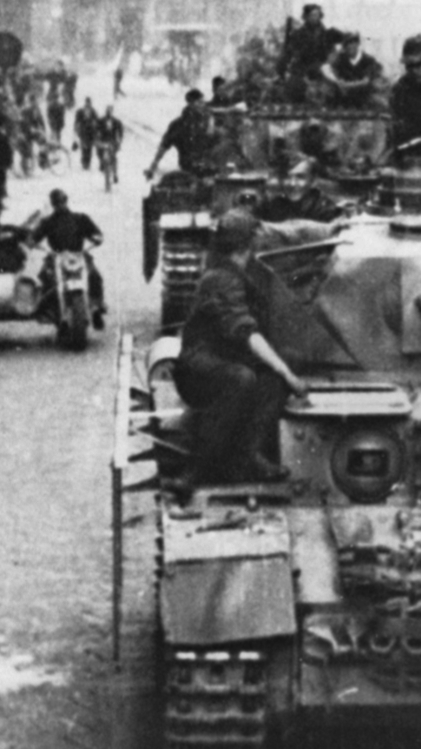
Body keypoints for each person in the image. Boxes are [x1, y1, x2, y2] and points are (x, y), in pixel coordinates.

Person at [172, 209, 308, 491]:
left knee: (278, 369)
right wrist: (286, 372)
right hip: (196, 368)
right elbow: (244, 331)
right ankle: (196, 471)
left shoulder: (234, 270)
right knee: (242, 377)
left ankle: (246, 454)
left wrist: (282, 368)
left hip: (222, 359)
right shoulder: (222, 278)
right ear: (247, 245)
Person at [31, 189, 107, 328]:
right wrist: (33, 243)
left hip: (79, 255)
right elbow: (34, 238)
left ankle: (96, 308)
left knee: (94, 276)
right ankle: (49, 312)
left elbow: (96, 233)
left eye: (63, 201)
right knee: (44, 279)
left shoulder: (80, 218)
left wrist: (96, 238)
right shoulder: (47, 222)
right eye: (57, 203)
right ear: (53, 204)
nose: (61, 205)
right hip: (55, 256)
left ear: (67, 201)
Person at [143, 88, 221, 181]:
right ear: (191, 104)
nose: (202, 105)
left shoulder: (207, 121)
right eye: (199, 102)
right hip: (190, 167)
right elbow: (163, 147)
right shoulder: (179, 124)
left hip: (210, 166)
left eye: (203, 102)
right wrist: (152, 167)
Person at [277, 4, 346, 101]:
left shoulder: (328, 33)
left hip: (324, 67)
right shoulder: (298, 35)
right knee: (293, 90)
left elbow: (349, 40)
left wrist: (337, 55)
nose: (315, 17)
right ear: (306, 17)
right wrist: (281, 72)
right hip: (303, 69)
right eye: (312, 15)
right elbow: (287, 54)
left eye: (317, 14)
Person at [254, 158, 344, 223]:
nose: (292, 184)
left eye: (300, 177)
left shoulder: (326, 210)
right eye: (286, 177)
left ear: (313, 182)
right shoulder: (273, 206)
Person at [321, 32, 387, 109]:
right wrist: (337, 81)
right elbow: (328, 69)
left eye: (352, 43)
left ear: (357, 44)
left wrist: (346, 85)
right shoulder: (340, 59)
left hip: (364, 97)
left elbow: (365, 81)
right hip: (344, 98)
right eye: (346, 44)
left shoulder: (368, 60)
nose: (349, 46)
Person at [93, 104, 125, 184]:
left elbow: (120, 131)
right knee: (99, 152)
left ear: (112, 112)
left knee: (113, 157)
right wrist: (97, 138)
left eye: (110, 111)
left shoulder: (116, 122)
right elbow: (96, 130)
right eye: (107, 111)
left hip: (112, 142)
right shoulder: (101, 120)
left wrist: (119, 141)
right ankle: (101, 162)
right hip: (103, 141)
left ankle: (115, 174)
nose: (108, 113)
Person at [73, 98, 99, 171]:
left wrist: (96, 128)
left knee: (90, 148)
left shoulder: (93, 111)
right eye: (87, 103)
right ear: (85, 103)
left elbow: (97, 121)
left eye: (89, 103)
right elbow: (77, 121)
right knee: (84, 147)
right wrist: (76, 128)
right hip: (83, 132)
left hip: (91, 132)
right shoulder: (80, 111)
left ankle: (88, 162)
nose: (88, 104)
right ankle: (84, 162)